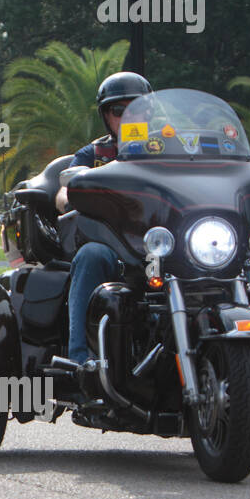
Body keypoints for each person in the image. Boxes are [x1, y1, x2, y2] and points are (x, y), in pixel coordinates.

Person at [57, 72, 152, 365]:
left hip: (163, 244)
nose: (128, 117)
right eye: (119, 111)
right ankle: (80, 362)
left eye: (137, 108)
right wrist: (79, 191)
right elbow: (62, 195)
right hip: (115, 248)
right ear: (106, 116)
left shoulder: (170, 148)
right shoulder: (94, 154)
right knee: (91, 256)